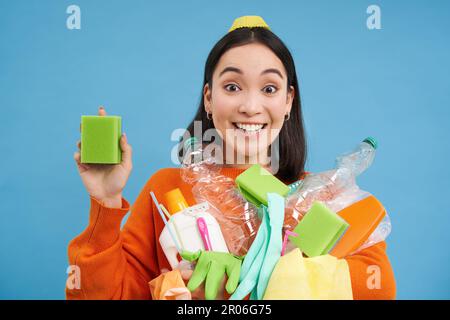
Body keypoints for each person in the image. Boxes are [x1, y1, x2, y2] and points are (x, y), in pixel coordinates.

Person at [68, 16, 396, 300]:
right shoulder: (167, 189)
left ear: (288, 101)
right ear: (209, 98)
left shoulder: (326, 199)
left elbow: (377, 287)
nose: (250, 107)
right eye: (232, 87)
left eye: (269, 89)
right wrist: (107, 202)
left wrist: (232, 282)